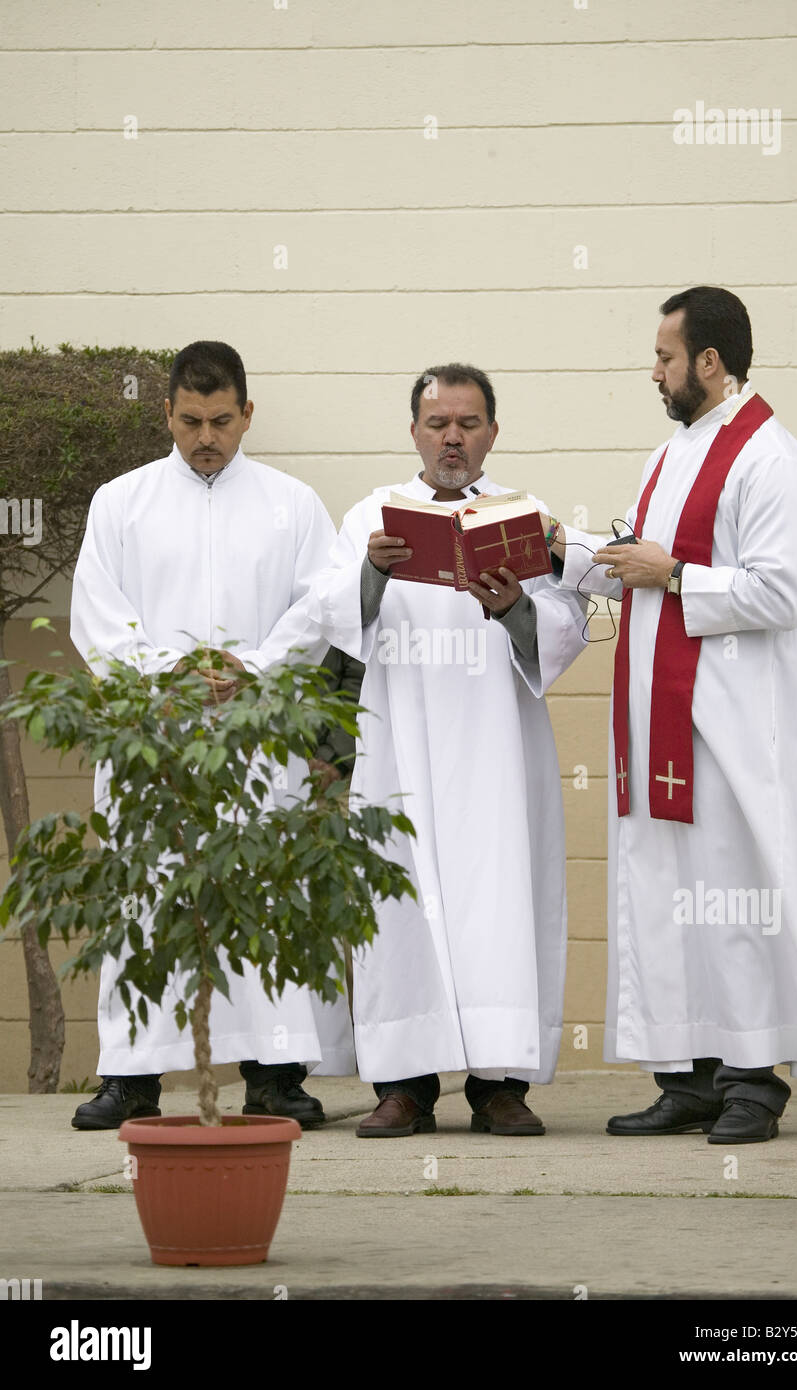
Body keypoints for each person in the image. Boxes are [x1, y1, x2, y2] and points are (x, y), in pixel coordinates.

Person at [546, 287, 797, 1142]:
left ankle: (755, 1080)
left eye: (666, 358)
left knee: (735, 897)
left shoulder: (771, 459)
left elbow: (780, 592)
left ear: (710, 362)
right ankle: (690, 1076)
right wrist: (565, 553)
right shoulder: (670, 454)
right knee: (673, 900)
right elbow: (644, 564)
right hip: (662, 725)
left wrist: (673, 575)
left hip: (735, 729)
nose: (656, 372)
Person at [69, 340, 354, 1130]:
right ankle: (131, 1077)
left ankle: (273, 1072)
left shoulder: (293, 504)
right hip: (152, 739)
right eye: (190, 420)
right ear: (165, 412)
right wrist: (177, 673)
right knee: (146, 895)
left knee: (265, 893)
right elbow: (99, 617)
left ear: (247, 414)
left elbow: (320, 608)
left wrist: (251, 669)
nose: (206, 436)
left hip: (258, 736)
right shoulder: (119, 503)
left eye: (221, 420)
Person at [305, 363, 588, 1137]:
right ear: (414, 433)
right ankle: (403, 1085)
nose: (452, 438)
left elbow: (568, 627)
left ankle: (499, 1086)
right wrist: (371, 569)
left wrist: (514, 606)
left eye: (467, 424)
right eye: (438, 424)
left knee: (501, 902)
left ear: (492, 432)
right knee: (400, 906)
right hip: (399, 744)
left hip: (498, 748)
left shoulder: (525, 516)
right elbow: (326, 614)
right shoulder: (373, 513)